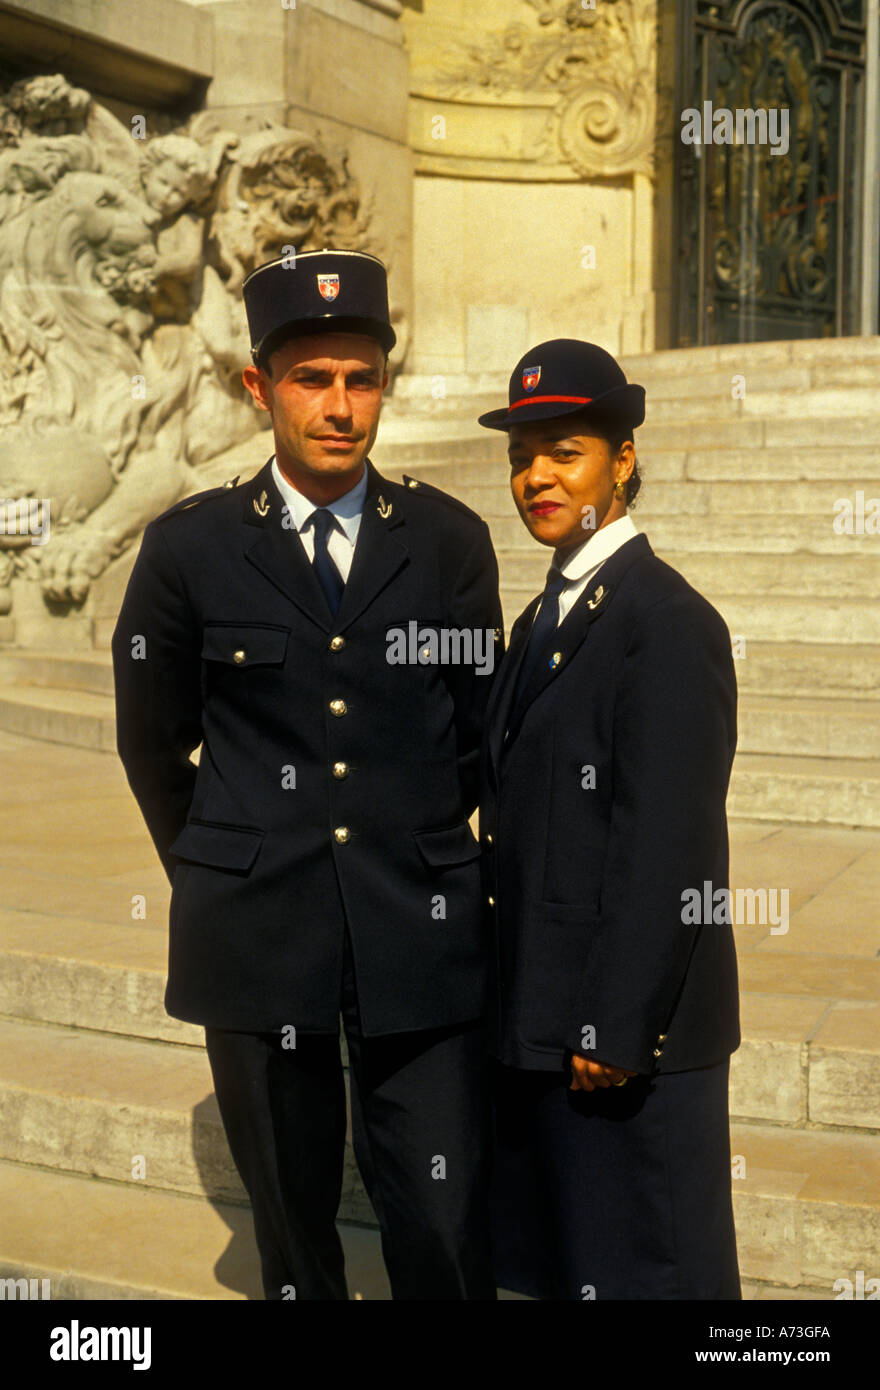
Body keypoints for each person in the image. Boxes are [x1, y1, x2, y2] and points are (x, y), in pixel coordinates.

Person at [112, 248, 503, 1300]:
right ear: (258, 387)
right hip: (255, 928)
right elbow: (152, 740)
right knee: (290, 1232)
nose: (339, 405)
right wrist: (221, 860)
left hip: (417, 917)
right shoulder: (188, 548)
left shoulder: (446, 542)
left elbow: (476, 730)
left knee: (446, 1212)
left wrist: (408, 833)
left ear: (384, 382)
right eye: (311, 378)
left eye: (359, 377)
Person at [476, 338, 741, 1300]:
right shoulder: (542, 618)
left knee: (654, 1279)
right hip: (544, 1030)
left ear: (622, 460)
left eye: (566, 450)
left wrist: (615, 1027)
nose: (536, 475)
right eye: (521, 454)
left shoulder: (666, 622)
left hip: (622, 1048)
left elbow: (669, 848)